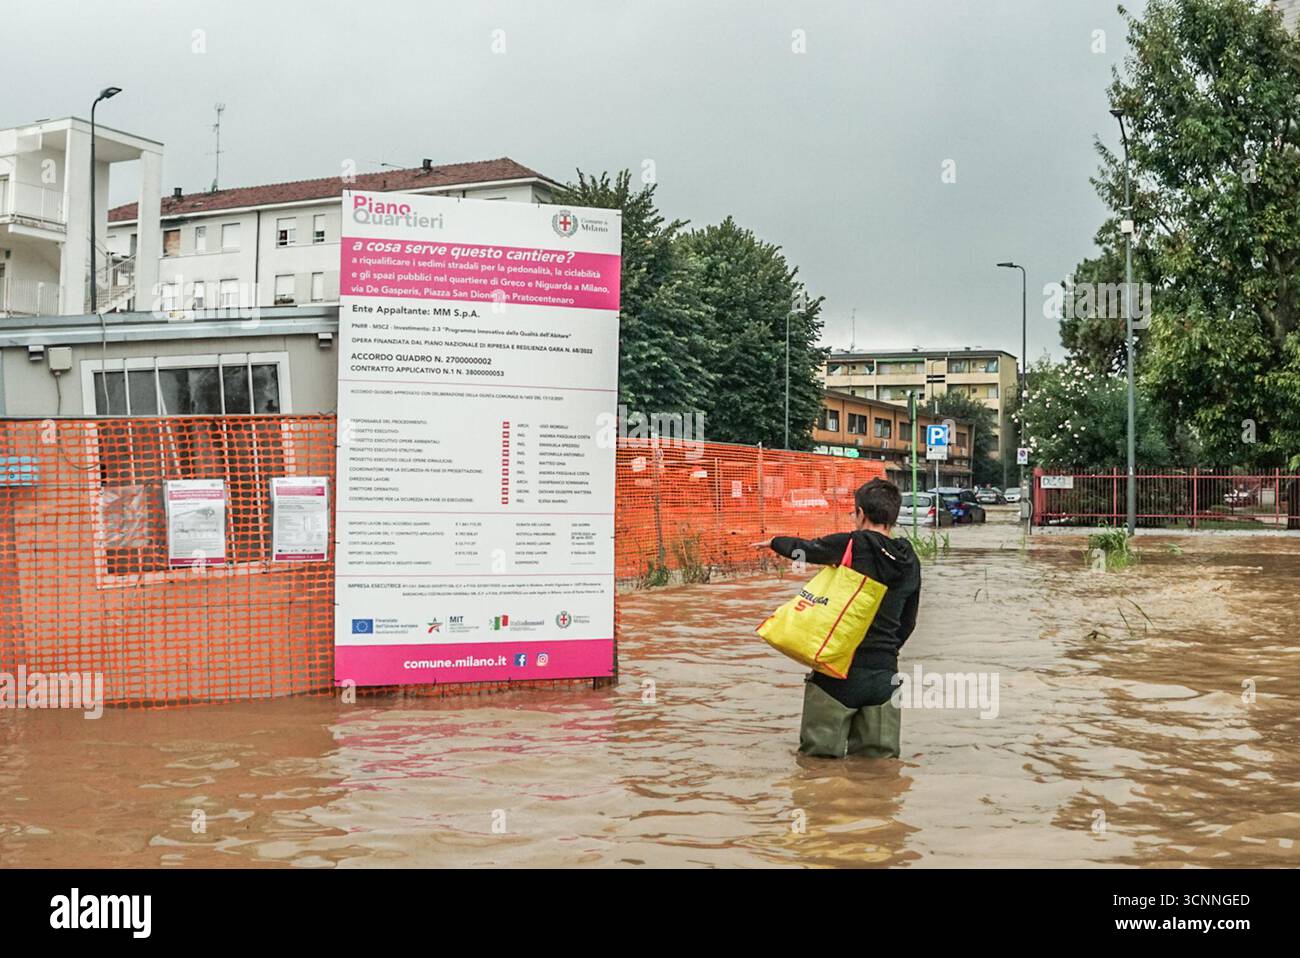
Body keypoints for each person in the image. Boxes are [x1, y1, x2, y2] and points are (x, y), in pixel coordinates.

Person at [764, 478, 921, 758]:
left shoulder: (852, 543)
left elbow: (807, 550)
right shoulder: (910, 560)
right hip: (886, 678)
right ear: (893, 516)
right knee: (879, 773)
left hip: (839, 674)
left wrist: (775, 542)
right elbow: (909, 622)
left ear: (861, 513)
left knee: (818, 768)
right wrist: (885, 653)